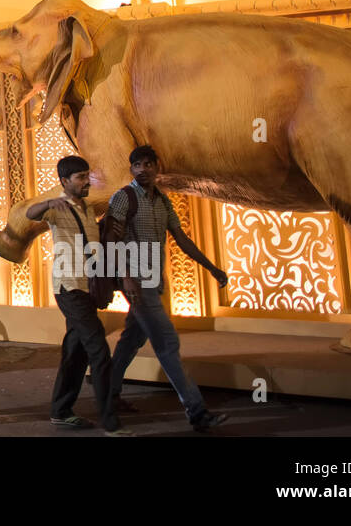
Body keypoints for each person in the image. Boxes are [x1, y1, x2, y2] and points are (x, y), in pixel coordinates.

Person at [106, 146, 229, 432]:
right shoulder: (124, 198)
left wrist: (211, 267)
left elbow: (182, 239)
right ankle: (197, 411)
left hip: (153, 281)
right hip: (136, 282)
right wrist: (125, 277)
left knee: (131, 341)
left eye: (148, 164)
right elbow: (112, 240)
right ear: (131, 169)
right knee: (167, 343)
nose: (143, 169)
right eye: (137, 165)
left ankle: (108, 395)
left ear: (157, 167)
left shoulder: (163, 201)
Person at [24, 156, 128, 434]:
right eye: (80, 178)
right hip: (69, 287)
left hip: (86, 286)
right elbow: (30, 215)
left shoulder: (88, 208)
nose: (86, 182)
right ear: (64, 181)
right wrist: (47, 203)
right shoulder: (57, 208)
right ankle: (109, 419)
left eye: (87, 176)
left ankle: (61, 410)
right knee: (99, 349)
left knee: (76, 351)